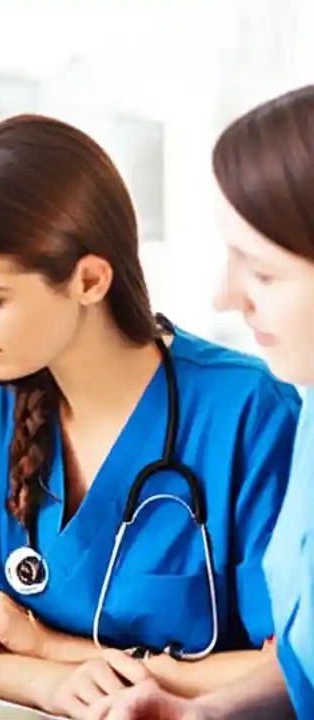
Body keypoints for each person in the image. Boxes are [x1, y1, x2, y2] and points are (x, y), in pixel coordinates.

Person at [0, 114, 301, 719]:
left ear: (89, 280)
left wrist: (52, 649)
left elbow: (288, 665)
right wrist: (52, 687)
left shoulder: (248, 412)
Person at [87, 85, 314, 720]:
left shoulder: (253, 407)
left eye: (263, 271)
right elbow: (304, 663)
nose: (223, 298)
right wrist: (201, 712)